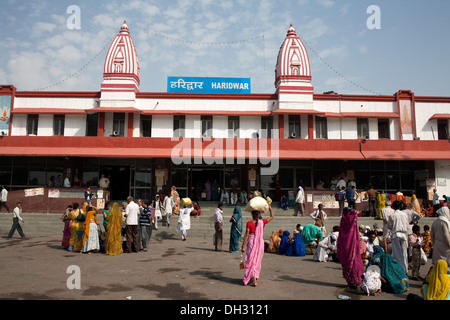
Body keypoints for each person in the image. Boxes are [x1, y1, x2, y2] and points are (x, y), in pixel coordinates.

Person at [241, 203, 274, 287]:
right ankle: (255, 279)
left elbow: (246, 235)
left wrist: (243, 246)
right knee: (257, 261)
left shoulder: (249, 223)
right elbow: (272, 217)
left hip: (252, 242)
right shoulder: (262, 222)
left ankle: (251, 278)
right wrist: (270, 208)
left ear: (252, 215)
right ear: (258, 215)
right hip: (260, 243)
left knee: (250, 260)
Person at [336, 207, 365, 290]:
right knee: (354, 263)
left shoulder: (343, 222)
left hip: (344, 247)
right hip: (352, 246)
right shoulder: (352, 224)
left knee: (347, 264)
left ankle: (350, 281)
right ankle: (356, 281)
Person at [387, 200, 410, 274]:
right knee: (404, 253)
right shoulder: (404, 215)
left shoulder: (392, 215)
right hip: (403, 234)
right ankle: (405, 268)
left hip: (396, 235)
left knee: (397, 253)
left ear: (393, 207)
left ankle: (402, 269)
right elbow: (407, 224)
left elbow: (389, 226)